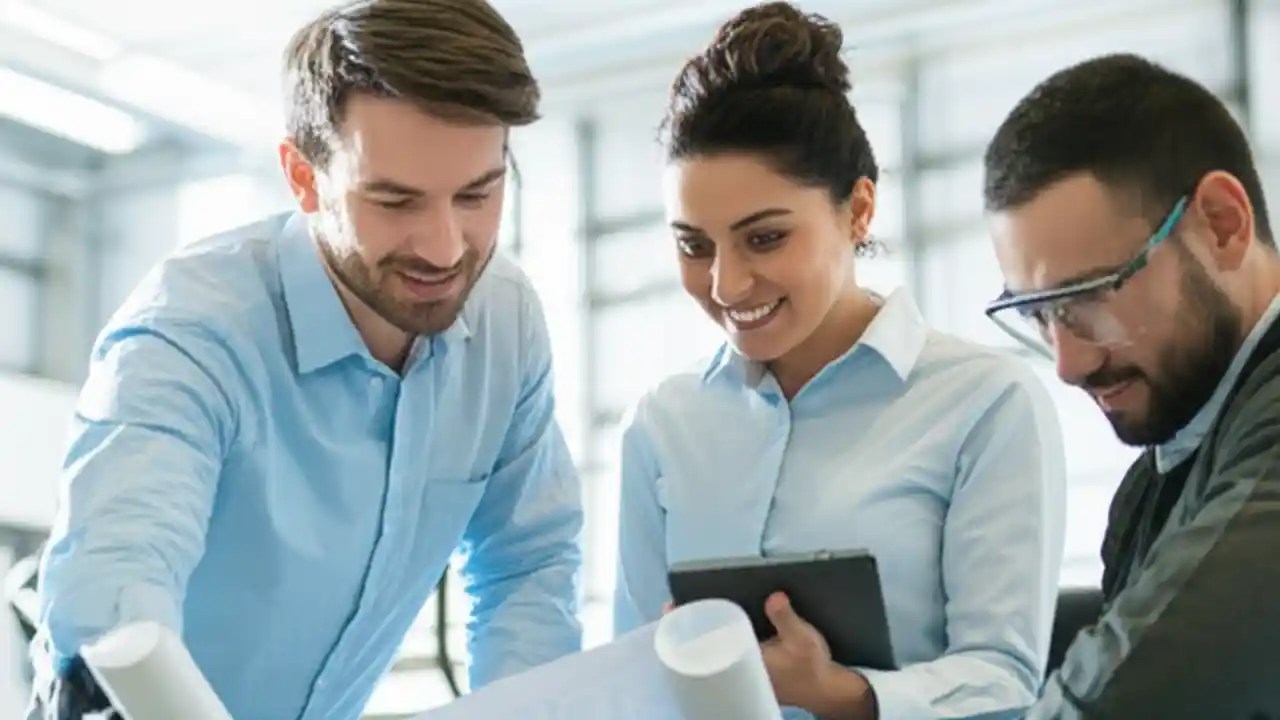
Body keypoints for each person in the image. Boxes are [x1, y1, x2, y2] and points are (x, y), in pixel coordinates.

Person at [28, 1, 583, 718]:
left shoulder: (505, 322)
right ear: (303, 176)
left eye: (478, 193)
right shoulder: (190, 331)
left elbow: (527, 564)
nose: (445, 248)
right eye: (395, 201)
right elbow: (115, 602)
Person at [613, 4, 1067, 719]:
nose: (725, 284)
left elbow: (1004, 680)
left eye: (764, 239)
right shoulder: (662, 424)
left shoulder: (985, 403)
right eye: (694, 246)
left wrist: (841, 696)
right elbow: (632, 675)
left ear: (858, 211)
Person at [982, 53, 1280, 718]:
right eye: (1037, 314)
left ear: (1222, 225)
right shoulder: (1152, 484)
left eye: (1089, 297)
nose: (1067, 363)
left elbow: (1128, 695)